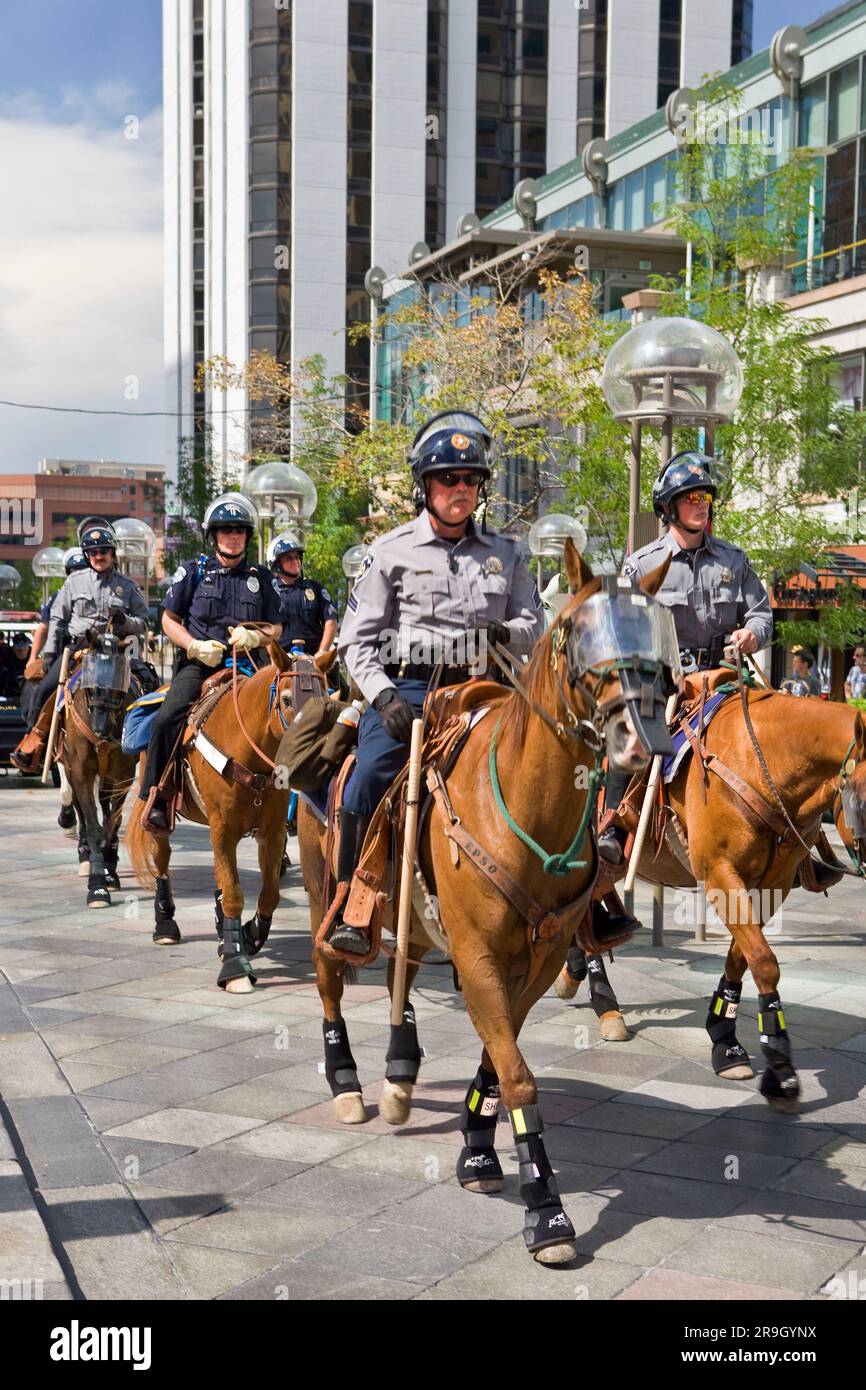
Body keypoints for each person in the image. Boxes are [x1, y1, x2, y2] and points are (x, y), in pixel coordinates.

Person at [331, 409, 545, 954]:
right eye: (448, 478)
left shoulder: (508, 552)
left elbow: (534, 624)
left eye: (470, 479)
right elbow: (356, 641)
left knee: (558, 765)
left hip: (487, 688)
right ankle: (352, 905)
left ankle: (582, 904)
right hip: (410, 693)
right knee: (369, 777)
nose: (460, 488)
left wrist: (506, 631)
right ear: (425, 485)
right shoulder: (388, 551)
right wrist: (381, 697)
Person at [598, 451, 773, 865]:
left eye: (704, 498)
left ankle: (799, 846)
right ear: (669, 507)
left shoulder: (734, 560)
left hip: (726, 677)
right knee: (630, 725)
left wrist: (752, 633)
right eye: (690, 497)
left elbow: (762, 613)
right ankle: (608, 824)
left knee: (775, 725)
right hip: (664, 679)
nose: (700, 504)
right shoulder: (641, 565)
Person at [138, 493, 283, 833]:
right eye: (225, 530)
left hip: (249, 666)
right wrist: (194, 646)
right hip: (201, 665)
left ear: (247, 536)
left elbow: (276, 626)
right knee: (165, 720)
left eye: (240, 530)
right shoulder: (193, 572)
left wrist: (258, 637)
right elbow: (168, 619)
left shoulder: (261, 577)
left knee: (290, 715)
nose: (233, 536)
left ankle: (289, 800)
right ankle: (156, 795)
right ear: (213, 535)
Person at [11, 528, 148, 773]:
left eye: (103, 551)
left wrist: (124, 621)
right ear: (87, 556)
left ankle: (150, 747)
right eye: (92, 552)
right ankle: (35, 745)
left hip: (118, 649)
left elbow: (144, 623)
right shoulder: (74, 582)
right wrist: (50, 654)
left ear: (112, 553)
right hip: (78, 651)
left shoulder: (127, 586)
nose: (98, 556)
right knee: (43, 690)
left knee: (149, 684)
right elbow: (57, 619)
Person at [267, 531, 338, 658]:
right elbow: (265, 629)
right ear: (277, 564)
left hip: (314, 658)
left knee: (337, 676)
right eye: (289, 558)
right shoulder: (269, 592)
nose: (296, 561)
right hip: (281, 660)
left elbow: (331, 621)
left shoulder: (315, 588)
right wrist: (274, 658)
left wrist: (322, 652)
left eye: (297, 557)